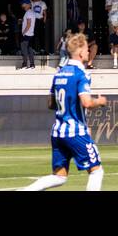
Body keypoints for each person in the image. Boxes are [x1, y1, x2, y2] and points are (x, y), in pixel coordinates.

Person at [21, 33, 106, 191]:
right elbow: (87, 102)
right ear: (80, 52)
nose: (88, 52)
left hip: (58, 132)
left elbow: (51, 103)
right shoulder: (81, 74)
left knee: (59, 177)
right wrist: (100, 102)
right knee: (96, 171)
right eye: (87, 49)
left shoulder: (59, 73)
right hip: (75, 132)